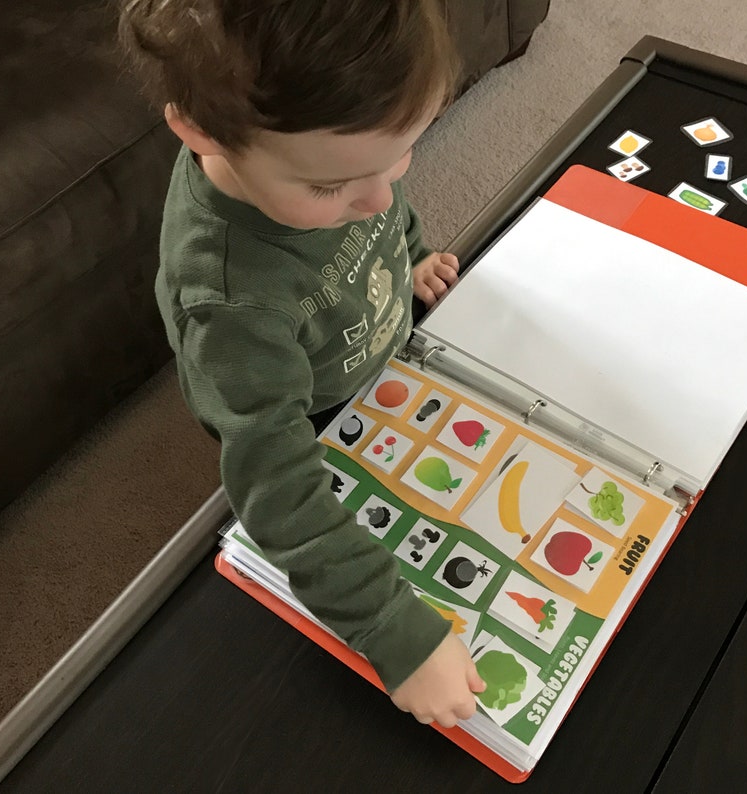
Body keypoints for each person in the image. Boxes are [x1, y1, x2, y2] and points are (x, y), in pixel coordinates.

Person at [118, 0, 485, 728]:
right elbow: (275, 486)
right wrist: (394, 633)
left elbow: (383, 204)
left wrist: (408, 255)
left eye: (402, 152)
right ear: (199, 131)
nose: (378, 194)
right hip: (310, 414)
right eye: (328, 187)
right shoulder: (227, 301)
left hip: (371, 359)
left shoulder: (351, 168)